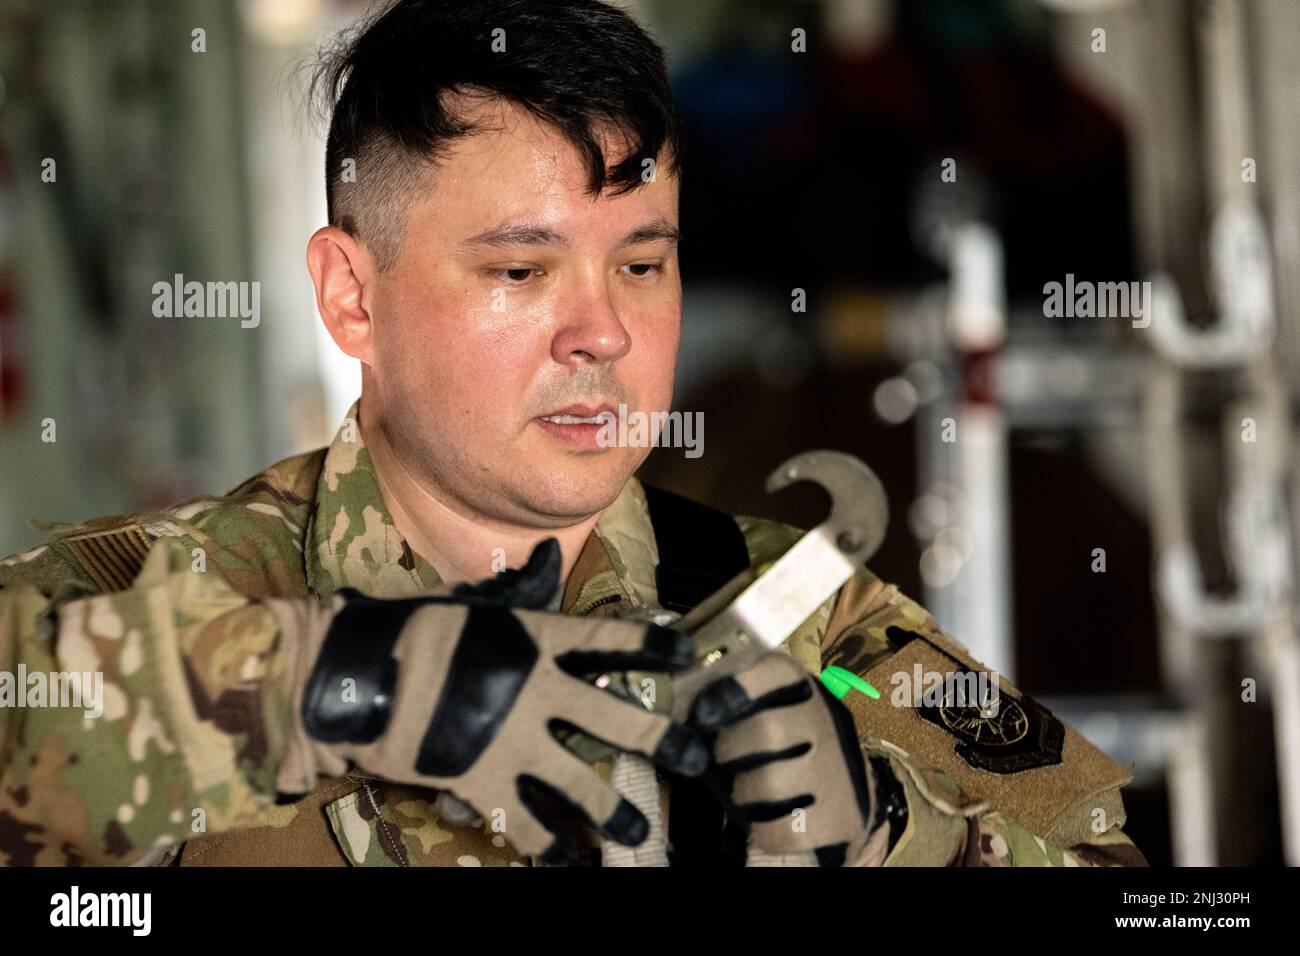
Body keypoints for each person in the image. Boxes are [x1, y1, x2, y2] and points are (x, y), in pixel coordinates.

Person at [0, 0, 1145, 867]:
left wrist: (894, 832)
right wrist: (320, 685)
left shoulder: (804, 608)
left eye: (642, 264)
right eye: (519, 269)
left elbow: (1124, 865)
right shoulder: (166, 592)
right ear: (352, 296)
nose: (601, 332)